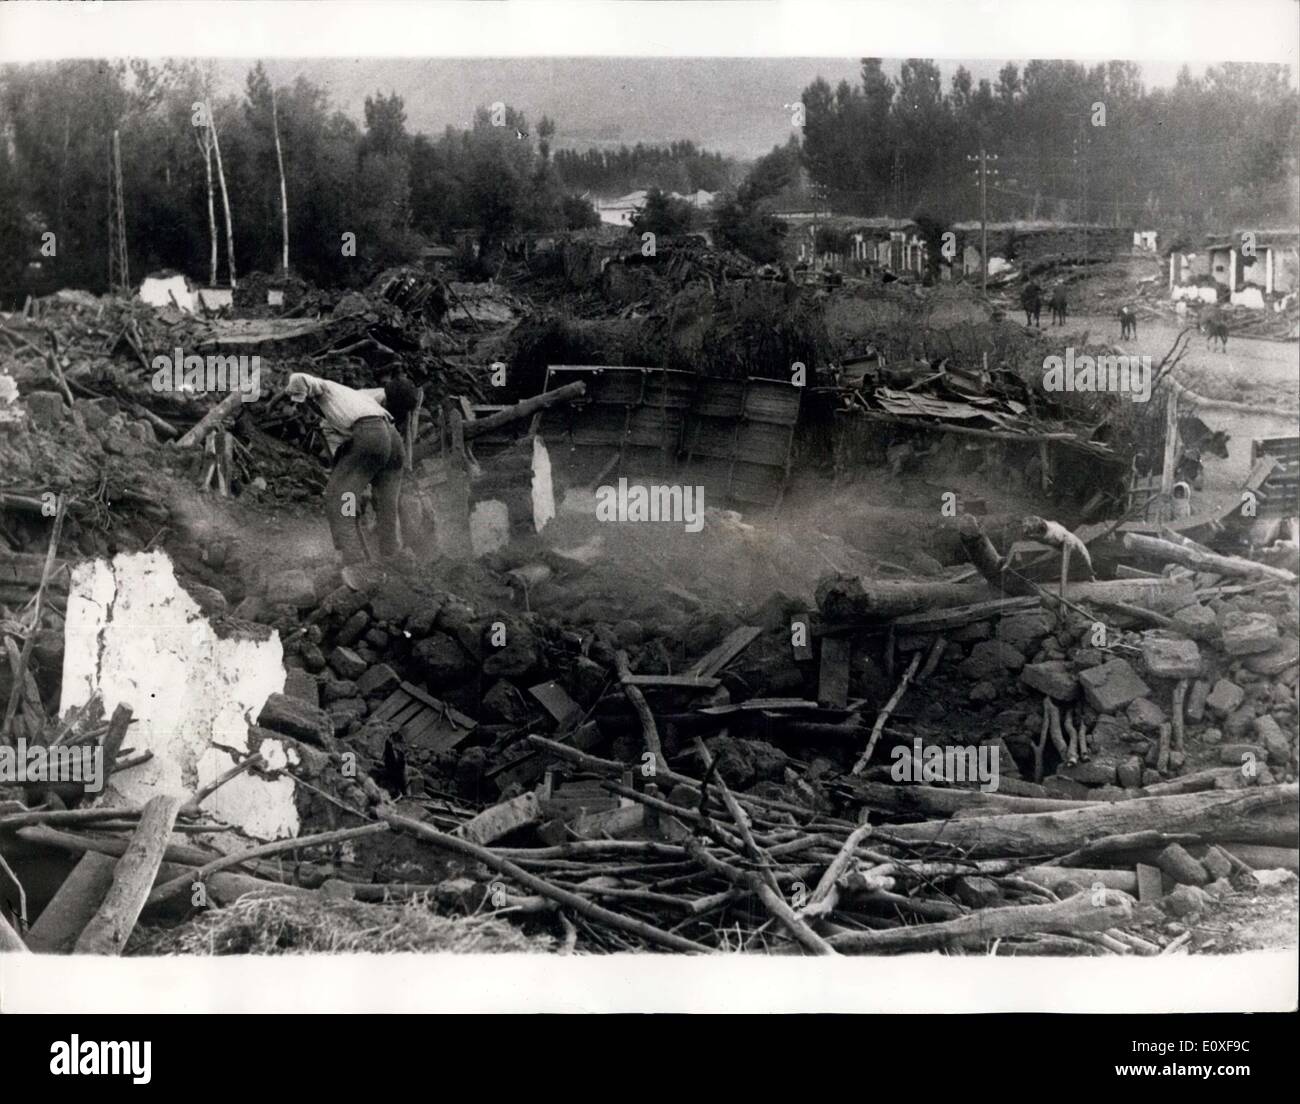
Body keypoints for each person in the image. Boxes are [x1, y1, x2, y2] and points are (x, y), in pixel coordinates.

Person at [285, 372, 419, 564]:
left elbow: (299, 377)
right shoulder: (358, 397)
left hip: (371, 435)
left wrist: (290, 396)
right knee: (385, 504)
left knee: (340, 496)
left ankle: (352, 556)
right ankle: (392, 556)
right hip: (392, 438)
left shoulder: (324, 388)